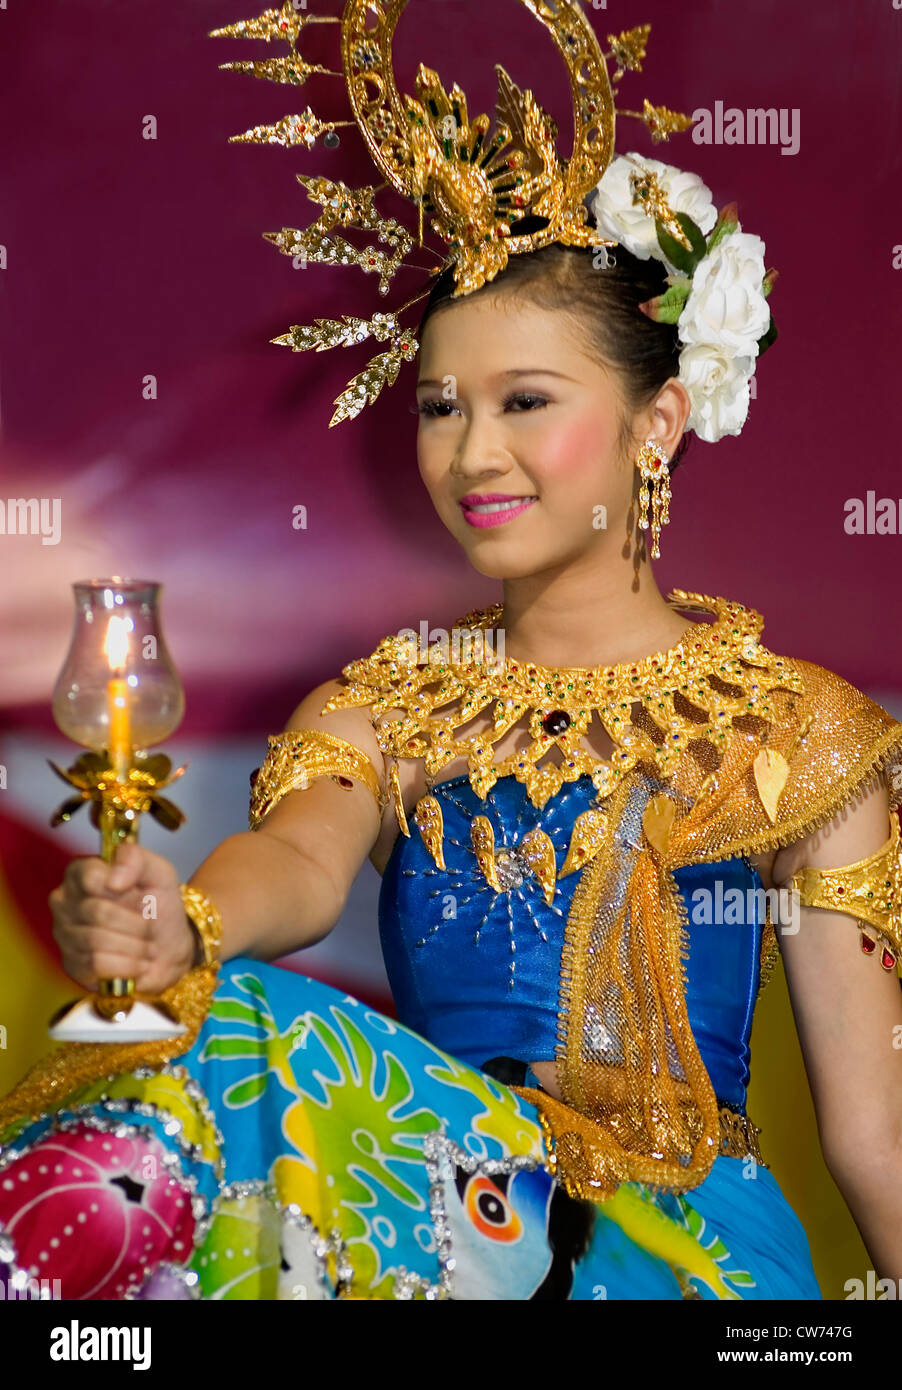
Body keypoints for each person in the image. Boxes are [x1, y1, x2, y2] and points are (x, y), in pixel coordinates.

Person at [2, 4, 902, 1302]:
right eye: (438, 406)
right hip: (432, 1213)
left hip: (687, 1259)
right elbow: (300, 864)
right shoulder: (388, 703)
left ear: (657, 421)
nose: (470, 453)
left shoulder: (799, 732)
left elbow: (873, 1133)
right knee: (237, 1021)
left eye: (524, 402)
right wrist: (186, 921)